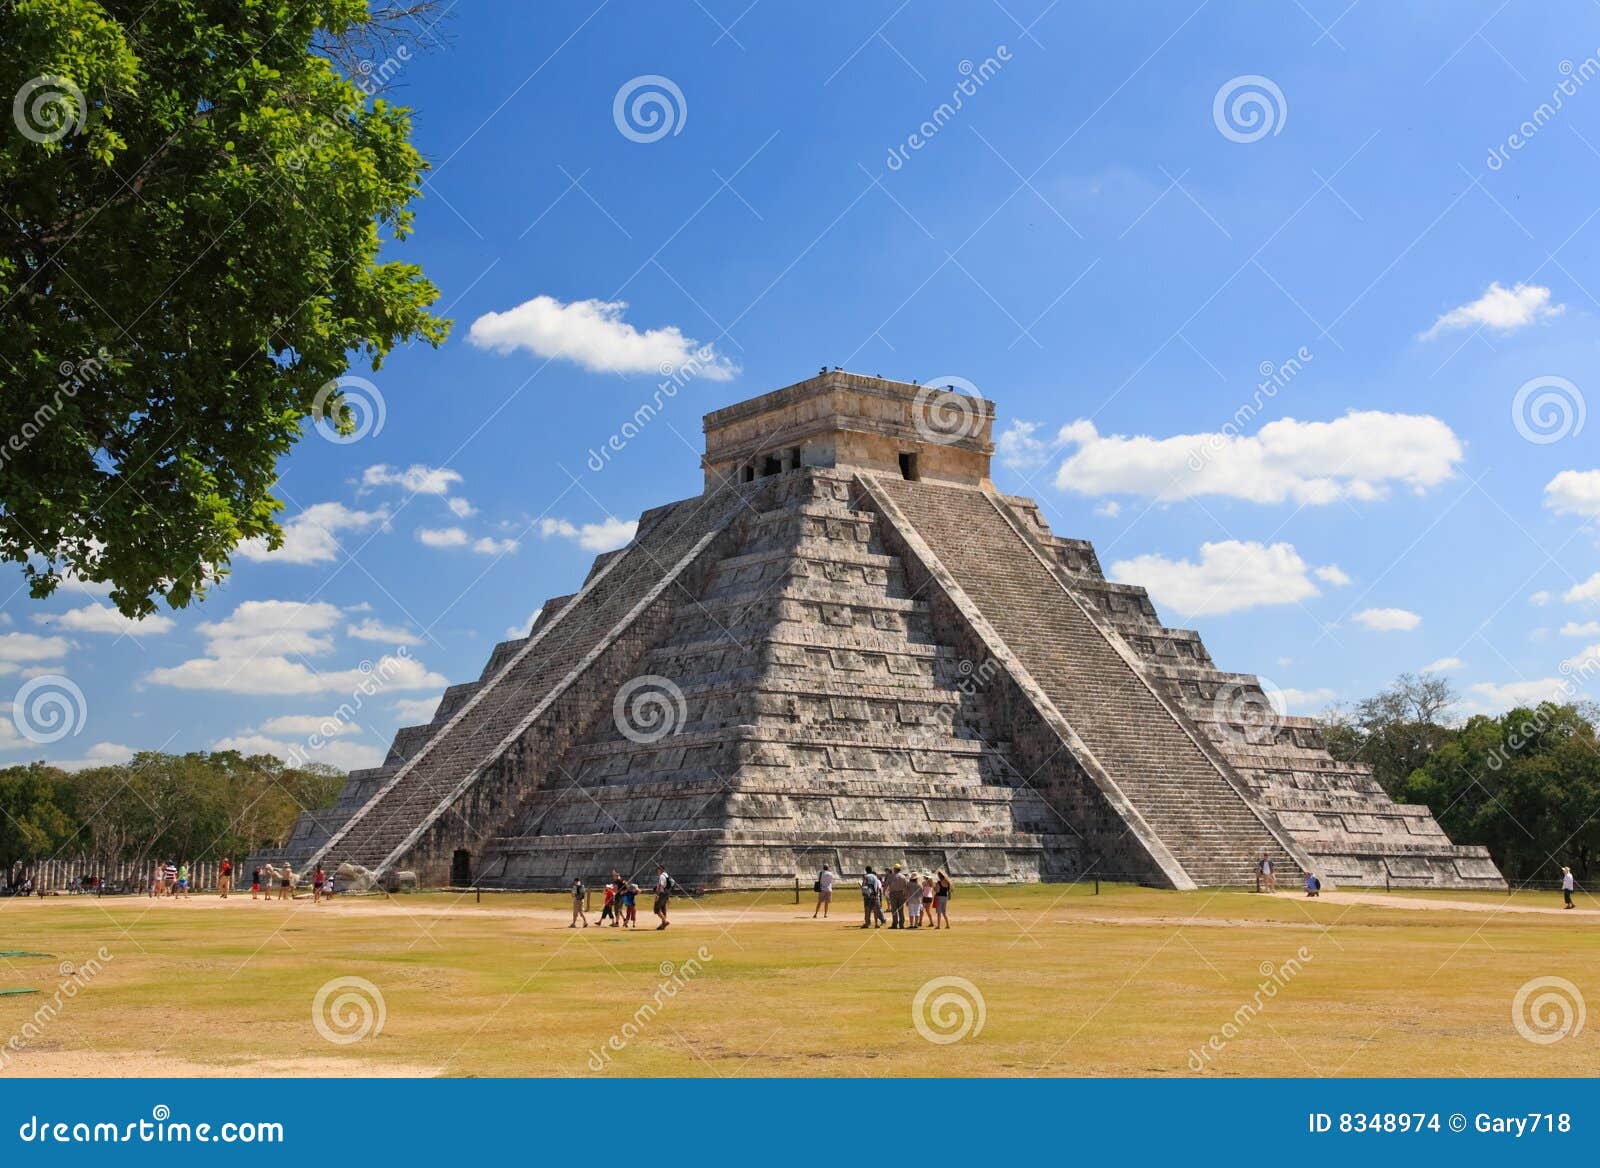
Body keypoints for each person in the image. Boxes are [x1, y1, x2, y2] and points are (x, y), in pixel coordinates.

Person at [653, 865, 672, 930]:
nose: (657, 871)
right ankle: (662, 925)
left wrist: (657, 895)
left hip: (662, 893)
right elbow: (669, 886)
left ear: (660, 870)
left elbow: (660, 886)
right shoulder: (667, 875)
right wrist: (668, 896)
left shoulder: (661, 876)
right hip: (667, 893)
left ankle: (665, 922)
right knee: (663, 909)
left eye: (658, 870)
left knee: (657, 909)